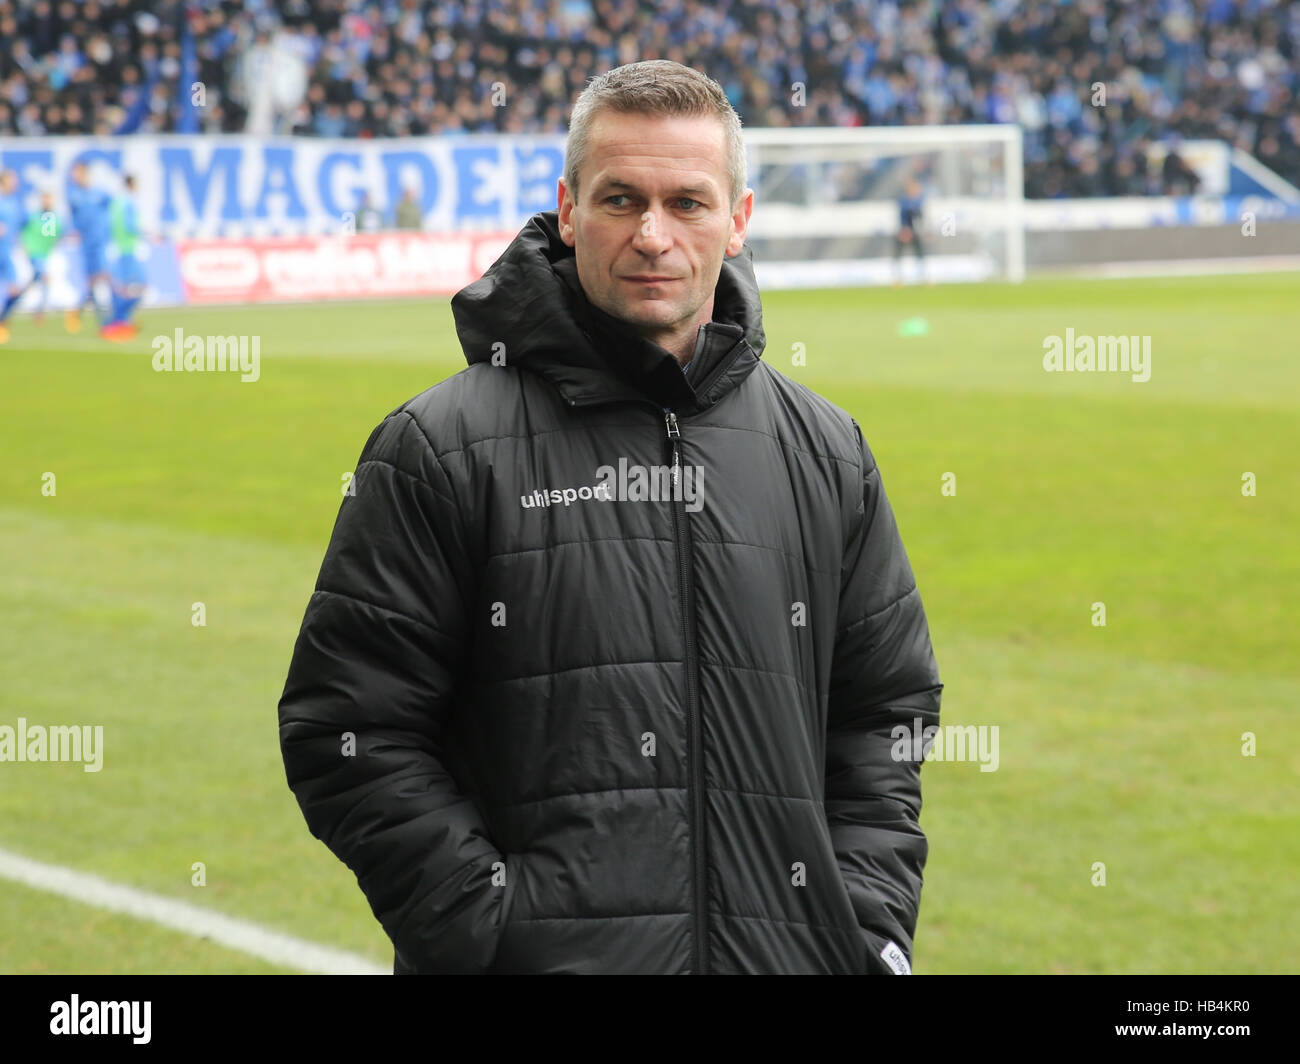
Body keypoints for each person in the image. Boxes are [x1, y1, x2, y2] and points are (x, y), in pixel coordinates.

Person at [278, 60, 942, 975]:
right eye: (621, 199)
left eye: (689, 203)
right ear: (567, 208)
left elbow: (886, 713)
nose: (653, 236)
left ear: (739, 221)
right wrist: (495, 935)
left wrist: (862, 926)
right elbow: (348, 731)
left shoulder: (825, 454)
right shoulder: (439, 447)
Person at [65, 161, 113, 334]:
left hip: (100, 243)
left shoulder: (100, 193)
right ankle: (102, 320)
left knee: (102, 279)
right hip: (86, 246)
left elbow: (113, 209)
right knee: (93, 284)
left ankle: (104, 321)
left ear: (85, 173)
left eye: (76, 173)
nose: (74, 177)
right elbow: (70, 219)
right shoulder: (74, 196)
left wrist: (110, 231)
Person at [100, 174, 145, 341]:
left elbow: (108, 224)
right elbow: (131, 226)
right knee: (136, 286)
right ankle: (118, 321)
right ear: (131, 185)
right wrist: (144, 233)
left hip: (116, 247)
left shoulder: (115, 202)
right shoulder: (127, 203)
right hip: (127, 248)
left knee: (121, 287)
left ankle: (120, 321)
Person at [18, 191, 64, 325]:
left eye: (49, 199)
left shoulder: (52, 218)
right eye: (45, 199)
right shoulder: (34, 216)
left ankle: (17, 298)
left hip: (45, 254)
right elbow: (23, 231)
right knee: (44, 277)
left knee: (38, 280)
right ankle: (39, 311)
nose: (47, 202)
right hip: (35, 254)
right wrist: (25, 246)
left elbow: (54, 235)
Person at [0, 170, 26, 343]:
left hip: (8, 252)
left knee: (15, 289)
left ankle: (2, 321)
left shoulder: (15, 203)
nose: (15, 183)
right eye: (12, 180)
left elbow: (29, 223)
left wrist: (50, 232)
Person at [893, 177, 927, 286]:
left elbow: (920, 219)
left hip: (915, 232)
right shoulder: (904, 201)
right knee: (899, 255)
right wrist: (905, 230)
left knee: (919, 254)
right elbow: (902, 217)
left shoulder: (919, 201)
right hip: (905, 231)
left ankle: (923, 277)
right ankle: (898, 278)